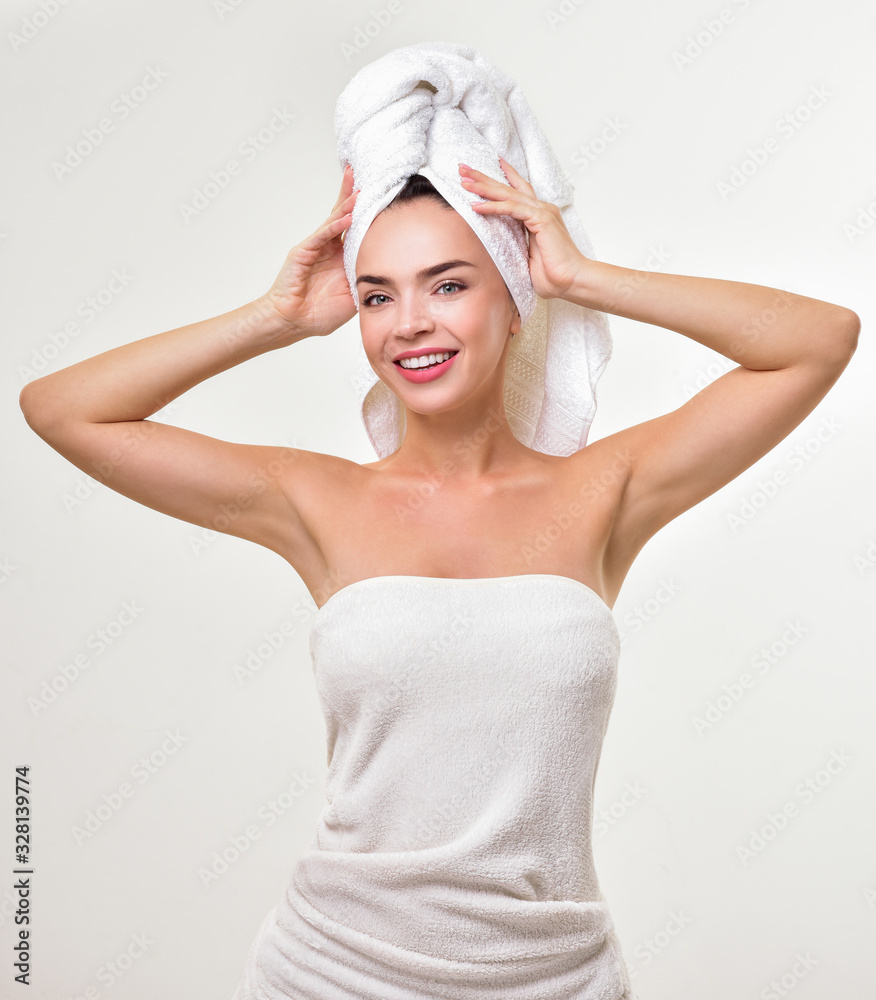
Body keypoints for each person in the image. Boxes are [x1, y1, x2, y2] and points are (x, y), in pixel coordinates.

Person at [18, 159, 860, 998]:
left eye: (448, 286)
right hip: (330, 972)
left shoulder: (601, 494)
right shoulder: (316, 500)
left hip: (555, 976)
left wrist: (581, 277)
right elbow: (63, 408)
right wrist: (272, 318)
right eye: (379, 296)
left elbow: (818, 341)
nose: (408, 324)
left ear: (515, 301)